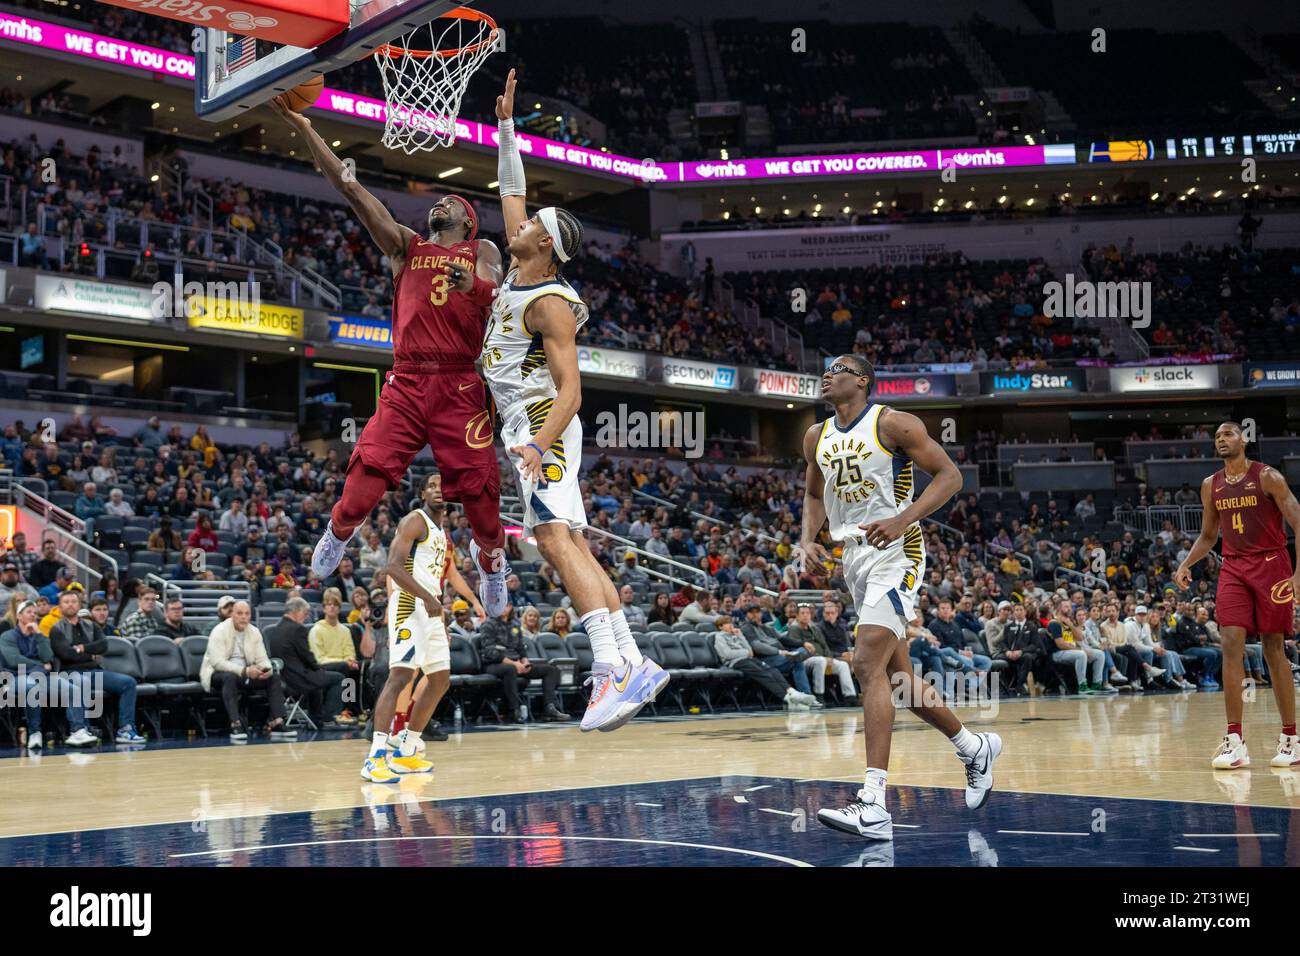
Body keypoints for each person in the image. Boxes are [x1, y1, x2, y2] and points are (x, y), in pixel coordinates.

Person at [270, 96, 509, 619]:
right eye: (437, 201)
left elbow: (502, 291)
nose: (439, 204)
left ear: (468, 222)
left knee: (480, 494)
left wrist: (478, 288)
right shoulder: (405, 245)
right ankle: (339, 531)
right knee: (365, 476)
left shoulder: (482, 251)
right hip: (407, 380)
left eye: (450, 202)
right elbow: (349, 186)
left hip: (460, 384)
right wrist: (308, 129)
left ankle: (491, 562)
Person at [479, 68, 666, 733]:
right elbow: (511, 187)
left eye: (532, 225)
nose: (519, 223)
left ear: (546, 247)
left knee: (555, 542)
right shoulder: (523, 274)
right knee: (571, 544)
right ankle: (633, 662)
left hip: (542, 427)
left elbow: (574, 392)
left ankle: (611, 670)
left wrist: (534, 442)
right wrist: (504, 127)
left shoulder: (550, 303)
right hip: (527, 430)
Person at [801, 354, 999, 841]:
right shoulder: (815, 436)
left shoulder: (894, 423)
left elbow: (951, 476)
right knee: (901, 682)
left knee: (865, 662)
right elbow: (811, 494)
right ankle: (974, 746)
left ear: (862, 381)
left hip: (897, 551)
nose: (828, 374)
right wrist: (807, 538)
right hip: (853, 558)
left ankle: (873, 804)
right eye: (825, 369)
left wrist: (903, 518)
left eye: (839, 368)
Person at [1176, 420, 1300, 769]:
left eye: (1228, 434)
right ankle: (1235, 741)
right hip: (1233, 566)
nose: (1221, 439)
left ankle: (1291, 738)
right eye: (1216, 436)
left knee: (1274, 646)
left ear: (1244, 440)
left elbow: (1298, 521)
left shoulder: (1268, 476)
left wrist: (1298, 574)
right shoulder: (1210, 485)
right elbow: (1208, 535)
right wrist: (1186, 564)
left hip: (1272, 564)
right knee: (1230, 642)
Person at [363, 471, 485, 782]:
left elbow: (448, 576)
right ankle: (376, 756)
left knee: (441, 680)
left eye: (442, 485)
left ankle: (408, 748)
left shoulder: (443, 533)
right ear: (422, 493)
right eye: (431, 486)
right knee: (400, 675)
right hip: (409, 605)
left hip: (432, 610)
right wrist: (427, 597)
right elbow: (391, 566)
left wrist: (447, 603)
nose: (438, 490)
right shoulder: (414, 520)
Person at [48, 591, 145, 745]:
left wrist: (80, 648)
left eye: (74, 601)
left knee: (128, 682)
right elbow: (66, 654)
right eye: (66, 602)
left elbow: (103, 646)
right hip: (69, 672)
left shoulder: (91, 625)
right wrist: (89, 652)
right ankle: (80, 729)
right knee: (80, 682)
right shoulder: (56, 629)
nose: (70, 604)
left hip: (94, 672)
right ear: (60, 607)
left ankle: (125, 730)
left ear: (80, 605)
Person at [200, 600, 294, 742]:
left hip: (247, 673)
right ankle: (235, 724)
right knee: (229, 678)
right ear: (232, 615)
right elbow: (217, 662)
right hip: (217, 674)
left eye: (247, 614)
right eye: (239, 613)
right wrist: (244, 671)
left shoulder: (254, 631)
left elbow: (262, 658)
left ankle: (277, 721)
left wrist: (266, 669)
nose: (243, 617)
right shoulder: (219, 631)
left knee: (273, 678)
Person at [0, 600, 86, 751]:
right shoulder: (8, 636)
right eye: (29, 612)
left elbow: (48, 658)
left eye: (34, 612)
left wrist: (39, 635)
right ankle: (35, 733)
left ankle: (77, 731)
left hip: (42, 677)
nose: (33, 615)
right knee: (31, 686)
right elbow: (14, 661)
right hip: (15, 676)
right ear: (19, 616)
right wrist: (39, 665)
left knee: (73, 689)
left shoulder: (40, 636)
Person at [264, 597, 350, 729]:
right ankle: (329, 719)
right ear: (296, 611)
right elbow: (307, 657)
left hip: (283, 678)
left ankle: (316, 718)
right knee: (339, 678)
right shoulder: (298, 629)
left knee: (318, 677)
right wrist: (319, 669)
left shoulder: (274, 630)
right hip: (298, 679)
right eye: (304, 613)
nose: (306, 617)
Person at [477, 604, 568, 722]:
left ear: (510, 607)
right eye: (501, 605)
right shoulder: (488, 624)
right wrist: (515, 664)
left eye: (507, 605)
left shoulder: (515, 624)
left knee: (551, 670)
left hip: (516, 663)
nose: (504, 608)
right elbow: (490, 652)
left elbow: (521, 649)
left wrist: (525, 662)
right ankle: (514, 711)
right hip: (493, 665)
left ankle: (549, 708)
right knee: (510, 669)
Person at [713, 615, 814, 709]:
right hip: (736, 662)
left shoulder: (735, 635)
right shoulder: (719, 637)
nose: (731, 625)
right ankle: (787, 699)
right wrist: (745, 652)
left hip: (749, 659)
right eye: (727, 623)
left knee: (772, 670)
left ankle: (792, 692)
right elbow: (727, 654)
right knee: (763, 674)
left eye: (731, 622)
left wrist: (740, 636)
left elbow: (751, 651)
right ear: (720, 627)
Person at [790, 603, 857, 704]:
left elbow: (824, 645)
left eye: (807, 613)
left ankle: (850, 696)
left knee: (842, 665)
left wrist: (829, 657)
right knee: (820, 661)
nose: (805, 615)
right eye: (802, 613)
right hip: (804, 660)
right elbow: (796, 648)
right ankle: (819, 694)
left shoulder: (814, 628)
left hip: (822, 659)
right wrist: (823, 657)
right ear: (797, 616)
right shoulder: (794, 629)